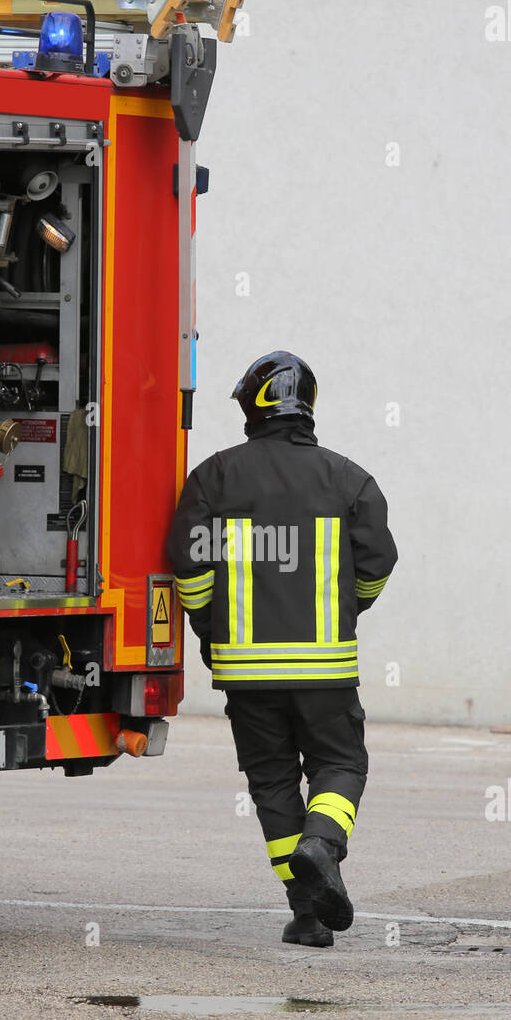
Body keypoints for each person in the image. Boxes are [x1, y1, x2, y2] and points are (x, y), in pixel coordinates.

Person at [166, 351, 398, 947]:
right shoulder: (351, 480)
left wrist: (210, 631)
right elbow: (377, 564)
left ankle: (309, 914)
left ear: (252, 405)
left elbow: (188, 566)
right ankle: (323, 843)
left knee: (271, 782)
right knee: (340, 765)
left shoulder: (214, 477)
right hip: (325, 669)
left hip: (245, 672)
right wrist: (348, 610)